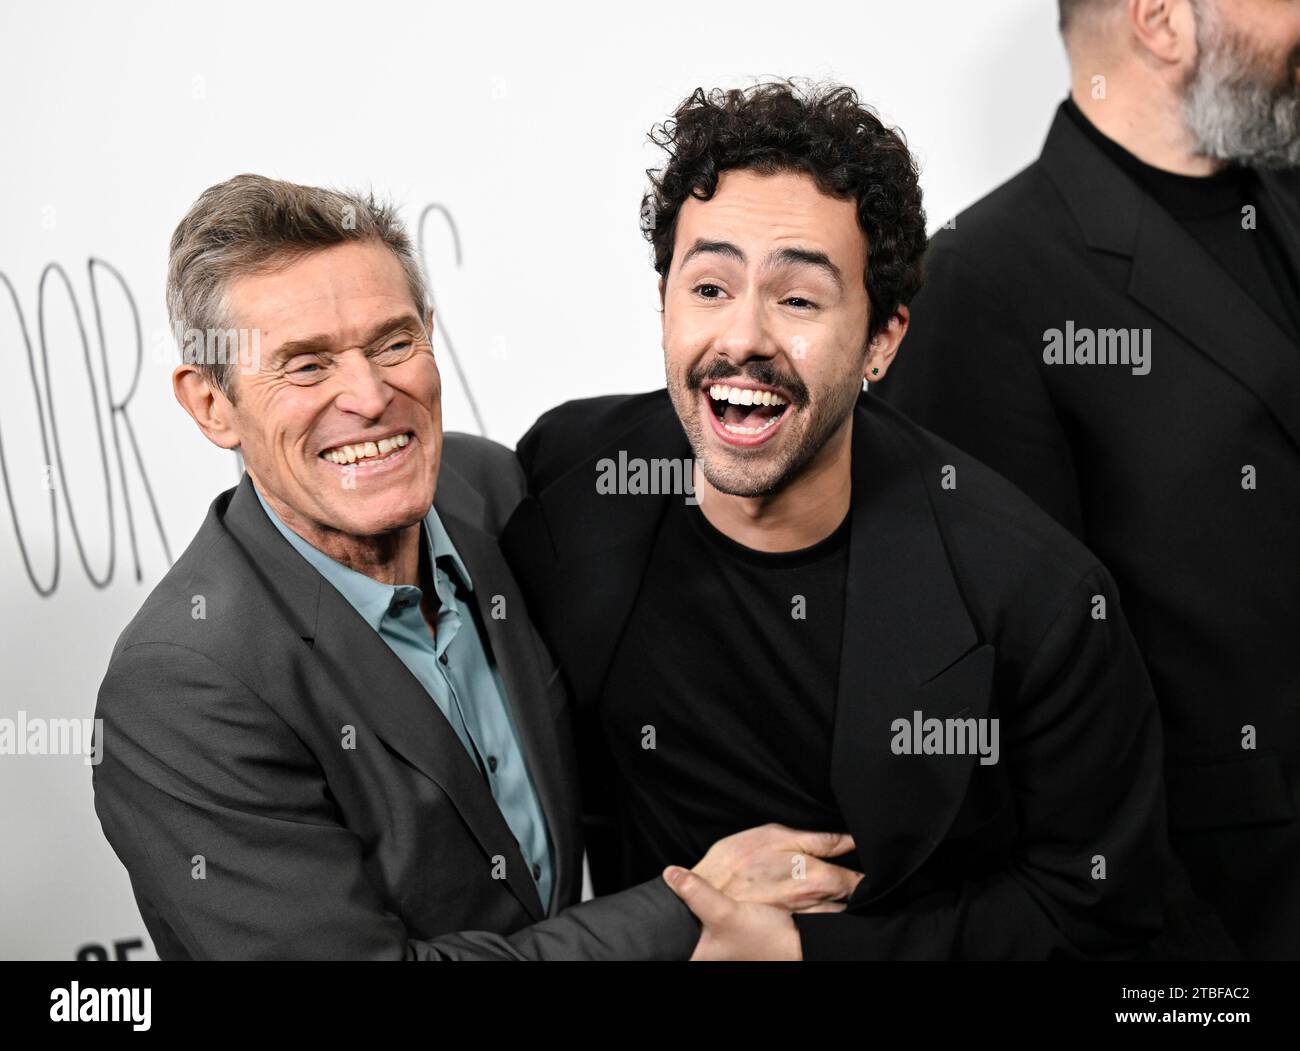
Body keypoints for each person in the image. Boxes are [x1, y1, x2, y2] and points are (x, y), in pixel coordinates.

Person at [90, 174, 858, 960]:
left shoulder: (489, 490)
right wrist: (689, 904)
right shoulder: (182, 687)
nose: (369, 395)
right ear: (212, 405)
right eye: (306, 366)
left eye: (393, 343)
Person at [502, 81, 1171, 960]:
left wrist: (809, 956)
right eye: (708, 285)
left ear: (884, 339)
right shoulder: (570, 476)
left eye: (799, 299)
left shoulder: (1037, 598)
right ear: (664, 300)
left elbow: (1099, 914)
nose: (742, 337)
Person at [878, 0, 1300, 959]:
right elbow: (1027, 704)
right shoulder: (985, 284)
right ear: (1160, 21)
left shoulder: (1286, 195)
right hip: (1216, 924)